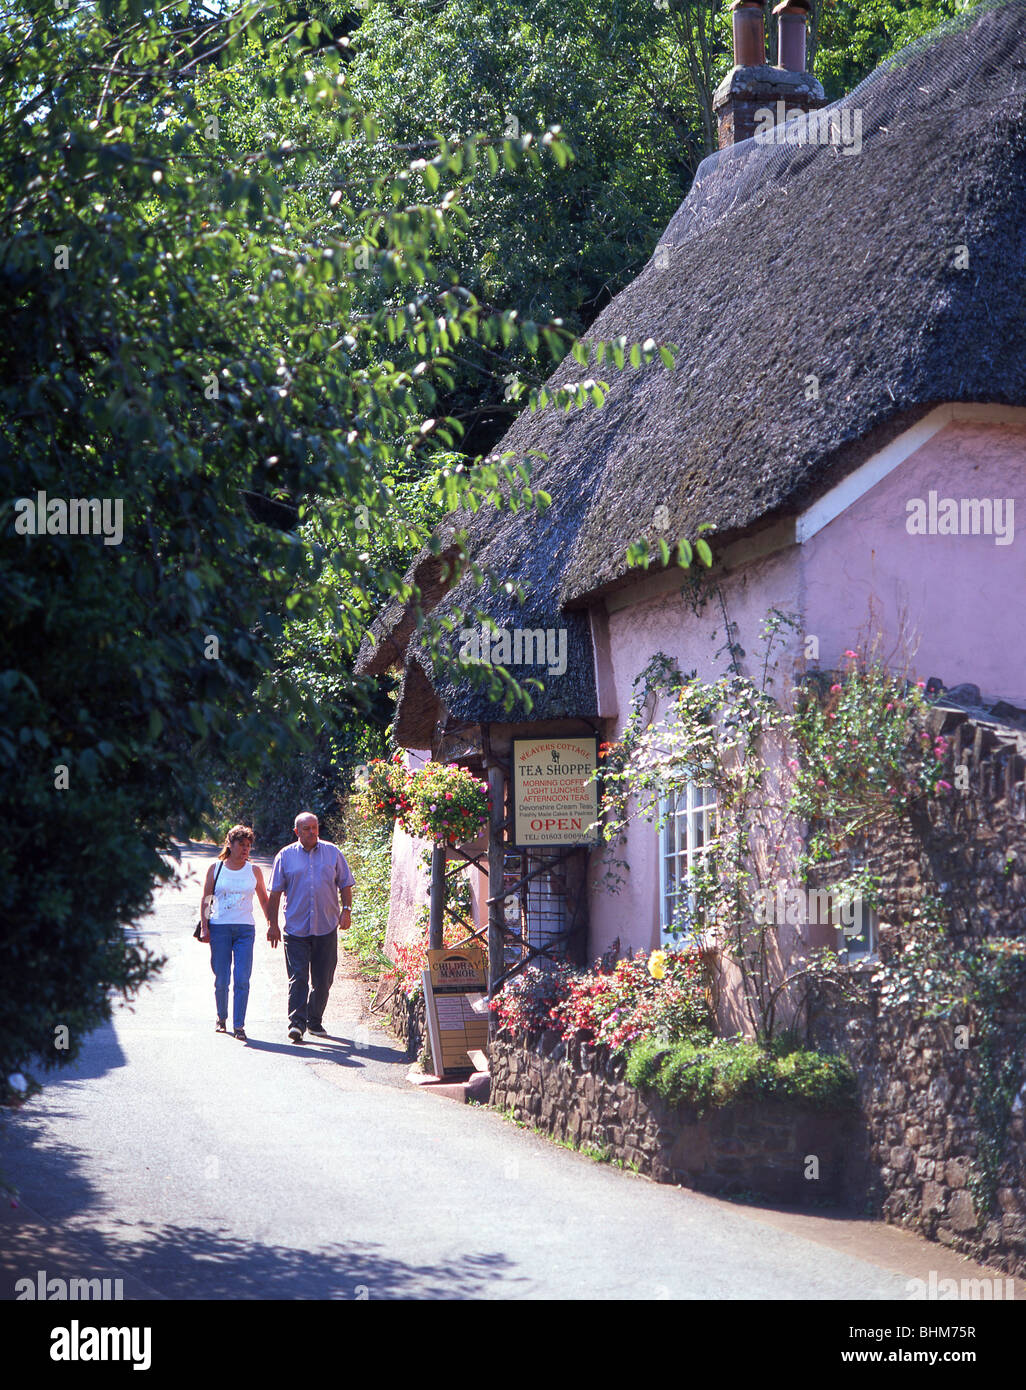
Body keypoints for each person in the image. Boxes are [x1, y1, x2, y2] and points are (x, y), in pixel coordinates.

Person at [267, 812, 355, 1043]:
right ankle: (296, 1024)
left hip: (326, 927)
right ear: (296, 832)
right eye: (306, 829)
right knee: (298, 978)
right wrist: (272, 925)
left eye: (314, 827)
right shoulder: (285, 856)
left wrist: (346, 910)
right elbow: (275, 893)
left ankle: (314, 1021)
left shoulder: (332, 853)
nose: (312, 832)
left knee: (323, 980)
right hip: (295, 929)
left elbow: (345, 884)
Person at [199, 825, 270, 1042]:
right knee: (222, 978)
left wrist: (272, 923)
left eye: (248, 845)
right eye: (241, 845)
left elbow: (264, 899)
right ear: (230, 844)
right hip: (220, 928)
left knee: (242, 978)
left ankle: (239, 1025)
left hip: (245, 930)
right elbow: (207, 899)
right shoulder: (216, 868)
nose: (246, 849)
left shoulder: (254, 871)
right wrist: (205, 927)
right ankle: (222, 1017)